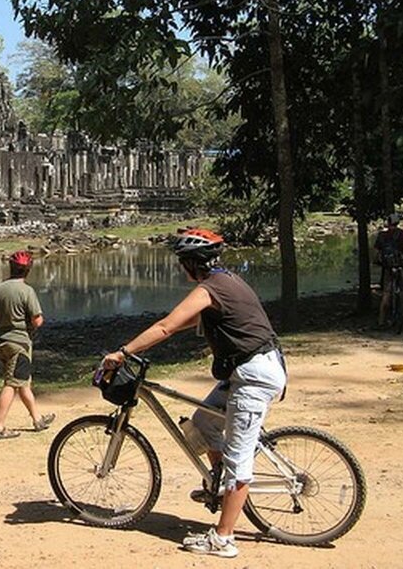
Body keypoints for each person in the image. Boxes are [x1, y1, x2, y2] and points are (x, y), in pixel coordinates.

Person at [101, 229, 286, 559]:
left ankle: (223, 539)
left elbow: (166, 326)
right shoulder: (227, 280)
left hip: (253, 376)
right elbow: (187, 321)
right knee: (201, 424)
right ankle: (218, 484)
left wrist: (124, 352)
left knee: (238, 459)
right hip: (249, 370)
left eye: (181, 263)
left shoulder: (209, 288)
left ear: (190, 264)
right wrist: (160, 333)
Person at [0, 250, 54, 440]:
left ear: (11, 268)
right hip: (20, 344)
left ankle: (37, 420)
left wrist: (6, 317)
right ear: (28, 270)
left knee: (23, 382)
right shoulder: (27, 291)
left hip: (2, 343)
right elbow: (37, 320)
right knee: (11, 385)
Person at [374, 213, 403, 328]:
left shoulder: (382, 235)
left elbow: (376, 251)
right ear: (397, 222)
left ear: (388, 223)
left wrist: (379, 259)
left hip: (387, 267)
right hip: (400, 266)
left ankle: (381, 321)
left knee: (386, 293)